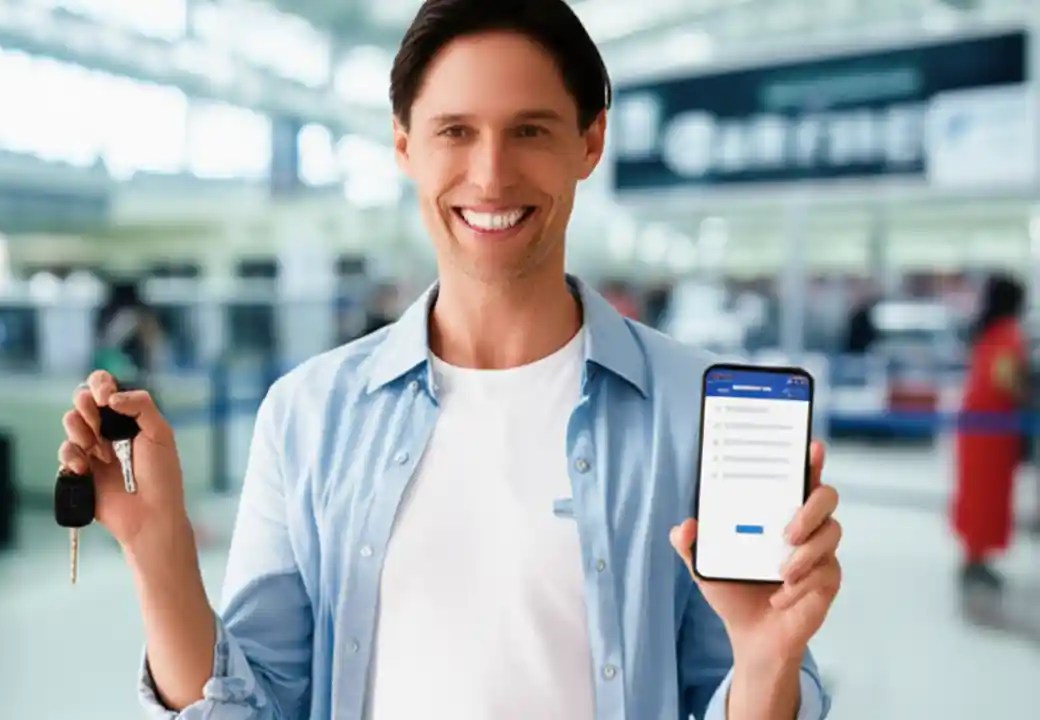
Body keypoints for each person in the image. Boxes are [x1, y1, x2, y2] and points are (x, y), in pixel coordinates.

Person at [59, 2, 842, 717]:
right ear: (404, 145)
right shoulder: (309, 416)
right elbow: (251, 705)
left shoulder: (694, 408)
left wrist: (765, 661)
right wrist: (156, 547)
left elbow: (738, 685)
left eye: (530, 130)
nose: (492, 173)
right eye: (455, 131)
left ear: (590, 141)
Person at [953, 274, 1027, 590]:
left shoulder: (984, 330)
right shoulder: (1010, 333)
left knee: (975, 491)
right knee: (990, 493)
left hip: (974, 424)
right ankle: (977, 560)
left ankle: (973, 556)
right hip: (996, 427)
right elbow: (1005, 378)